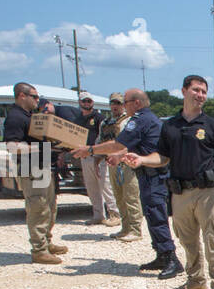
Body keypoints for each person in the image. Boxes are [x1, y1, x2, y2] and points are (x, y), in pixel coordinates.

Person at [122, 74, 214, 289]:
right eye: (196, 90)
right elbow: (162, 157)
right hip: (180, 193)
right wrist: (142, 160)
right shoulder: (170, 126)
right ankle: (195, 281)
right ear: (184, 91)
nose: (200, 95)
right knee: (188, 240)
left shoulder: (212, 125)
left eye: (204, 91)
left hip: (207, 192)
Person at [73, 88, 182, 279]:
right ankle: (161, 255)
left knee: (156, 214)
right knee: (150, 213)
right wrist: (118, 155)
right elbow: (132, 146)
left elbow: (118, 143)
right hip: (148, 173)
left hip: (153, 174)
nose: (123, 106)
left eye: (126, 102)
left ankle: (171, 258)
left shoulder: (140, 120)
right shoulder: (145, 119)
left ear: (136, 103)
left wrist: (90, 150)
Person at [2, 81, 68, 265]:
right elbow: (12, 146)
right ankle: (39, 250)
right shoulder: (15, 117)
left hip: (42, 167)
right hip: (31, 169)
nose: (37, 100)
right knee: (38, 208)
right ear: (22, 96)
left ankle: (46, 242)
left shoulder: (30, 116)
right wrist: (40, 147)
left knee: (49, 206)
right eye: (34, 97)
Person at [100, 92, 142, 242]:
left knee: (131, 196)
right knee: (119, 197)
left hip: (127, 162)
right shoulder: (105, 123)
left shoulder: (130, 121)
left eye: (118, 103)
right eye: (113, 103)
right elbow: (101, 141)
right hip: (111, 162)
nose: (115, 106)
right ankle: (125, 228)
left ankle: (136, 229)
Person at [74, 94, 119, 226]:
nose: (87, 103)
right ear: (80, 102)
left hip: (100, 156)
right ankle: (98, 215)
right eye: (84, 101)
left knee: (105, 186)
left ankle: (114, 214)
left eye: (89, 101)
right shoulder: (77, 119)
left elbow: (104, 137)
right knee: (91, 187)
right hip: (85, 156)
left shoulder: (100, 118)